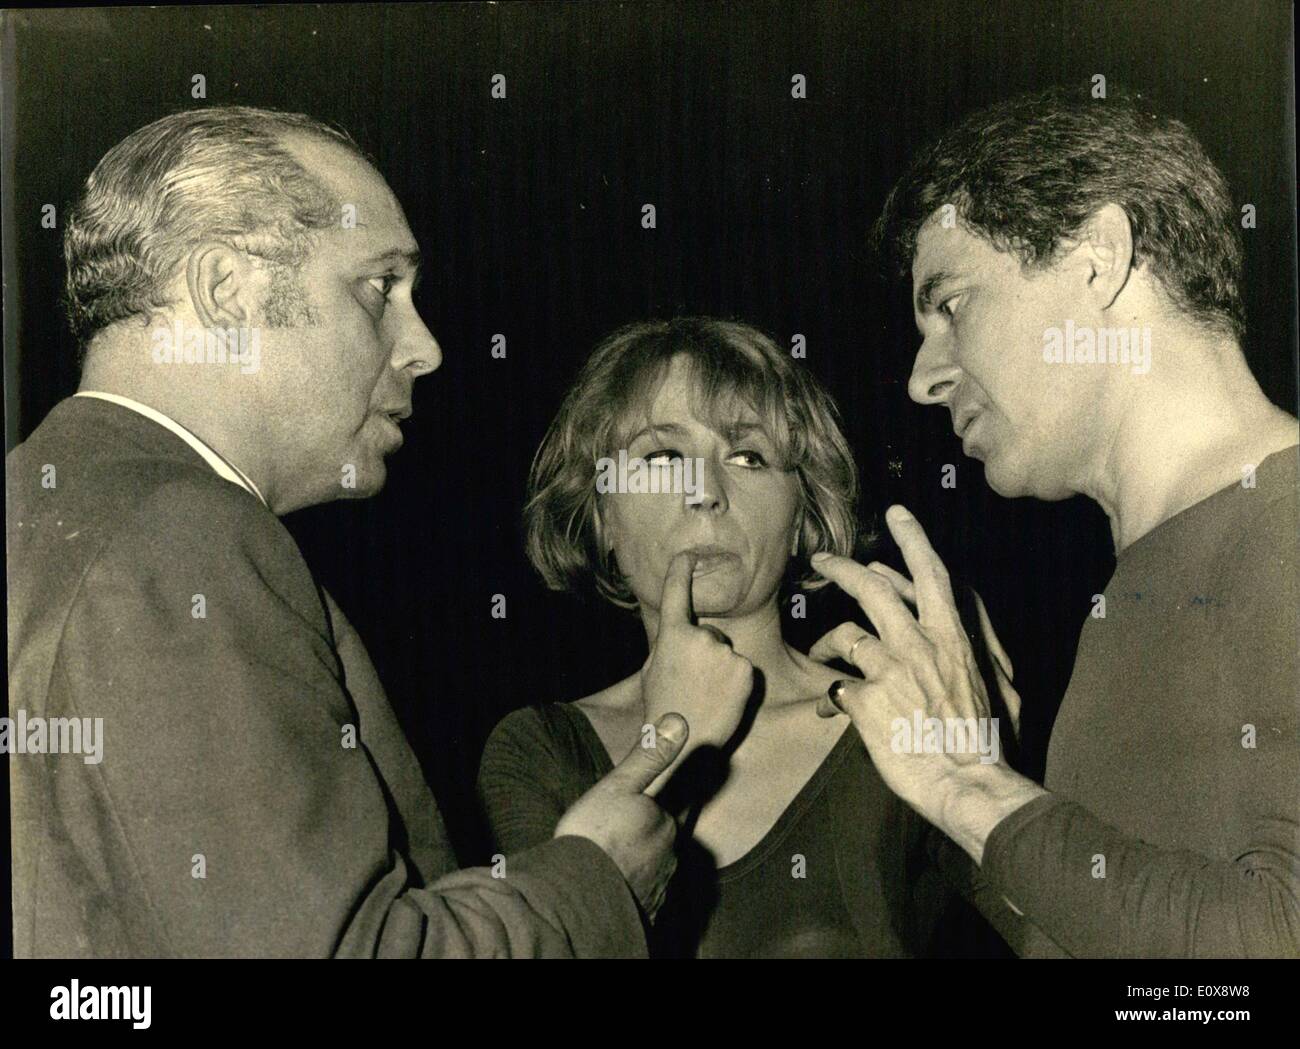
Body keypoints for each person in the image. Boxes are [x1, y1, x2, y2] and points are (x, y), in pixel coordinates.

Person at [6, 106, 696, 958]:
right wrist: (594, 881)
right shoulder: (183, 537)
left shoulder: (49, 509)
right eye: (381, 288)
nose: (426, 347)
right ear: (226, 292)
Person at [813, 87, 1299, 957]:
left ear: (1097, 257)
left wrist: (972, 784)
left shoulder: (1288, 524)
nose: (922, 377)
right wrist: (972, 803)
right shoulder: (1149, 576)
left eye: (951, 304)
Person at [478, 317, 997, 957]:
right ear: (601, 515)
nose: (705, 493)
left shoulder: (898, 721)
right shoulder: (540, 751)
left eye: (747, 456)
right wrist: (681, 743)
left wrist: (997, 770)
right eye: (663, 459)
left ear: (806, 516)